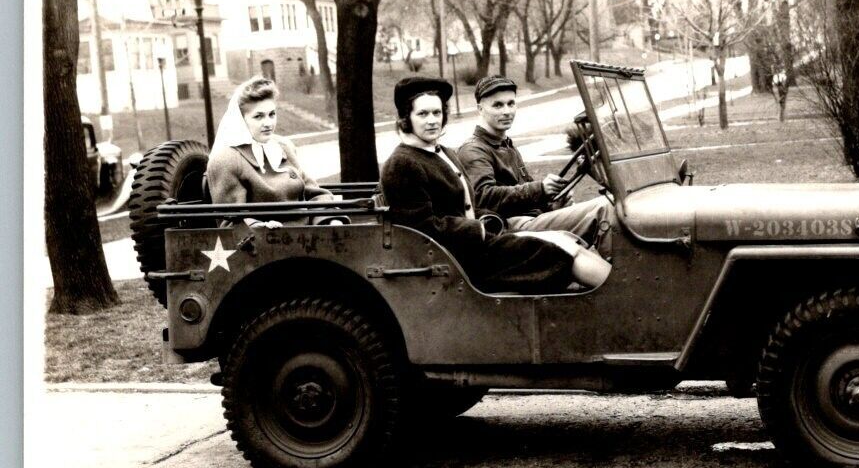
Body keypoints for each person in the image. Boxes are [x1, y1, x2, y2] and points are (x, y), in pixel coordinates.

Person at [381, 76, 610, 294]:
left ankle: (622, 293)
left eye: (437, 112)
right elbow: (419, 230)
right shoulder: (403, 163)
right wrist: (478, 229)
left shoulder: (441, 153)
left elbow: (467, 206)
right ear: (406, 118)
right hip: (460, 261)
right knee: (560, 250)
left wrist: (489, 221)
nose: (432, 120)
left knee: (565, 240)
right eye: (422, 114)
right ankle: (621, 299)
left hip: (476, 247)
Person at [457, 75, 613, 254]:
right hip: (509, 232)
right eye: (498, 105)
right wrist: (540, 189)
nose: (507, 111)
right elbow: (483, 197)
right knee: (603, 207)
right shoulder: (473, 150)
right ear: (480, 109)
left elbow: (524, 194)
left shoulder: (506, 145)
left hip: (528, 221)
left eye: (511, 103)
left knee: (613, 203)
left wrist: (550, 204)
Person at [206, 76, 345, 228]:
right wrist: (261, 228)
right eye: (258, 116)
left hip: (309, 234)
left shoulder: (283, 147)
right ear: (240, 119)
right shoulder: (227, 159)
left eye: (272, 114)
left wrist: (332, 219)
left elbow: (314, 194)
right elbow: (231, 221)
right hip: (266, 240)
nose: (268, 123)